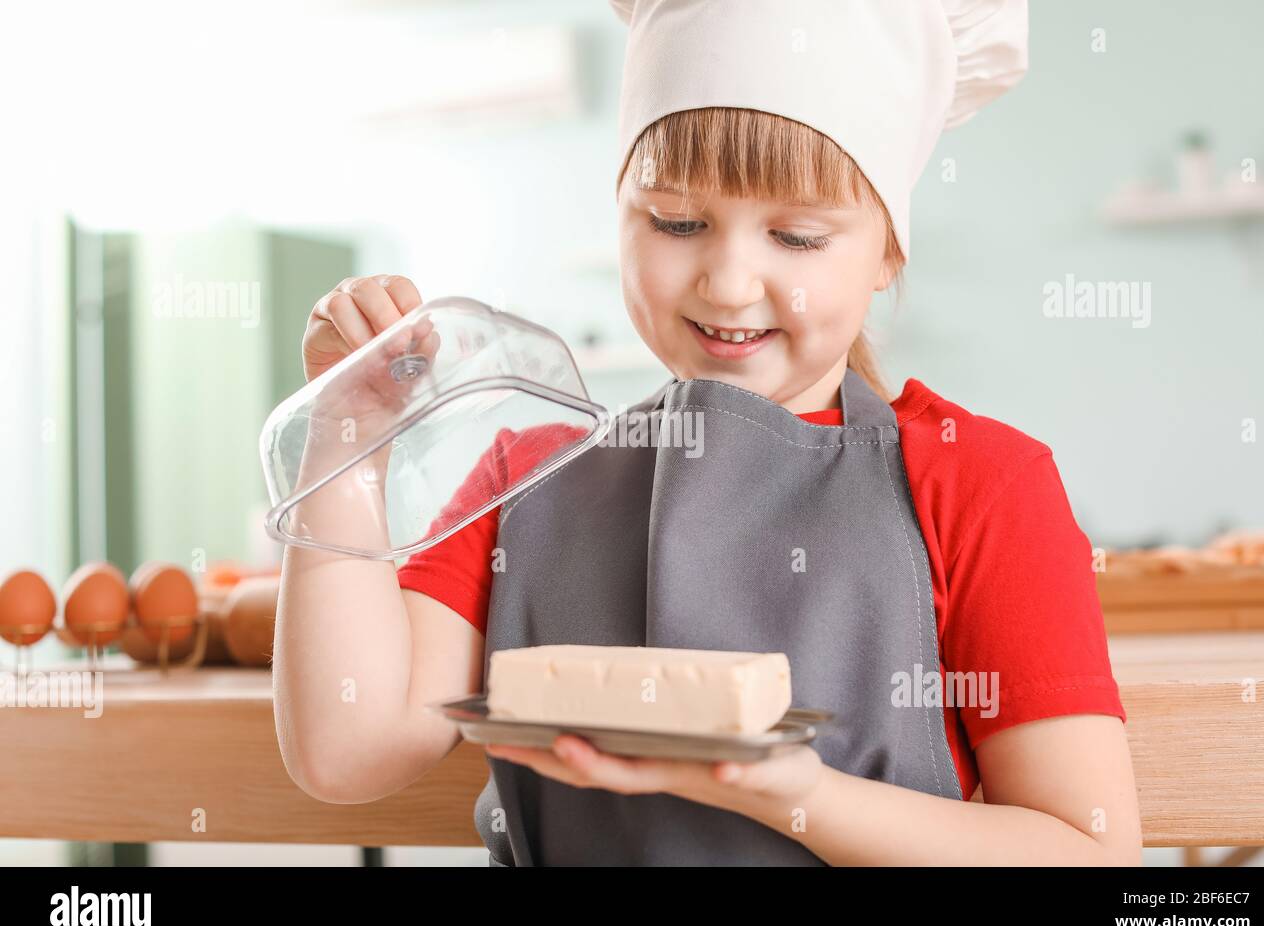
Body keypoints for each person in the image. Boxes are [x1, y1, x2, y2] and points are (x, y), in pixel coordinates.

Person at [274, 0, 1141, 866]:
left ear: (886, 253)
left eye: (797, 236)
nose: (728, 284)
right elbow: (347, 750)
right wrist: (349, 429)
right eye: (676, 223)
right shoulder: (527, 479)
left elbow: (1088, 852)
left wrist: (801, 797)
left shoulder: (979, 483)